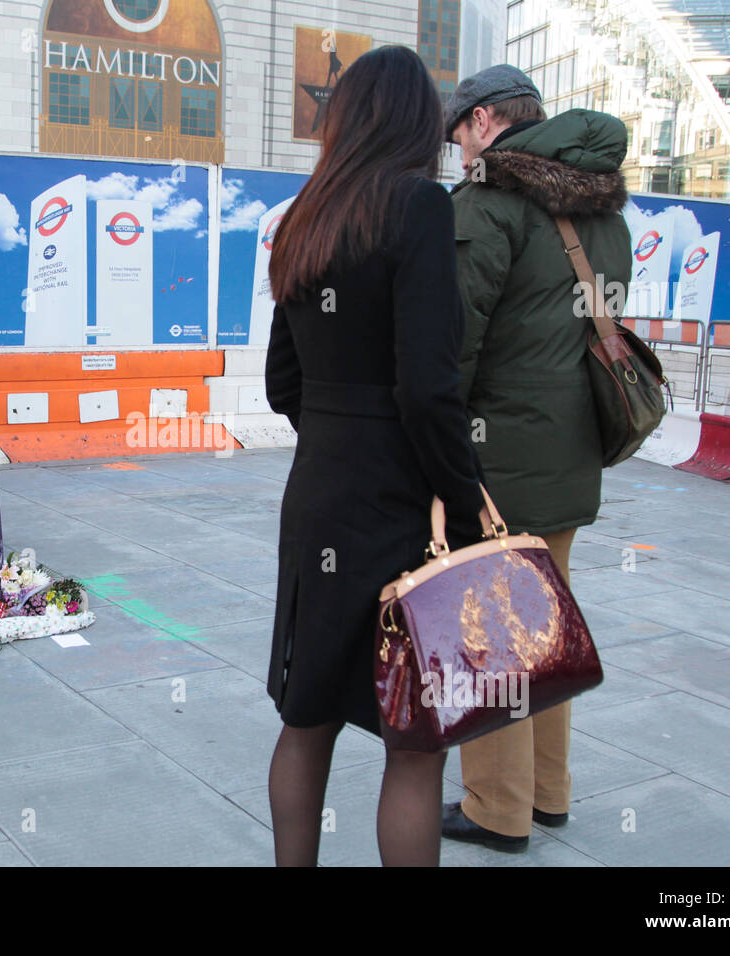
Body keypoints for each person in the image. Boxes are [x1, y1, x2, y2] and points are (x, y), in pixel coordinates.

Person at [263, 44, 490, 867]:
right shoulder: (420, 208)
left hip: (320, 494)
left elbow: (280, 380)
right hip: (400, 506)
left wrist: (336, 436)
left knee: (307, 716)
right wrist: (467, 509)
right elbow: (428, 390)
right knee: (415, 742)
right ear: (416, 124)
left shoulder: (304, 216)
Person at [441, 65, 632, 852]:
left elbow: (454, 344)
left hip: (499, 465)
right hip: (570, 452)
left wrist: (436, 448)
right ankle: (548, 793)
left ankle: (496, 808)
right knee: (544, 630)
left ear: (485, 121)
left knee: (493, 637)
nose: (456, 156)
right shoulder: (602, 205)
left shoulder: (491, 203)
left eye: (457, 137)